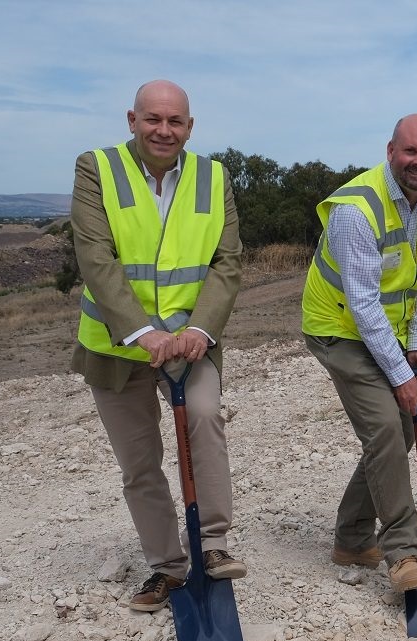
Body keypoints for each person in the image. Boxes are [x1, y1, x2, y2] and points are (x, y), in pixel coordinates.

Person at [70, 79, 246, 612]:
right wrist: (142, 332)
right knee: (140, 463)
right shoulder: (95, 169)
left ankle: (212, 547)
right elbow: (96, 257)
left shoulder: (214, 178)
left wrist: (200, 329)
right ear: (132, 120)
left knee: (204, 420)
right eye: (153, 119)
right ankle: (167, 568)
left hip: (192, 343)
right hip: (116, 345)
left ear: (189, 127)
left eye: (175, 122)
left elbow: (227, 261)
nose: (163, 130)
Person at [302, 114, 417, 592]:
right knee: (389, 427)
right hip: (338, 327)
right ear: (391, 150)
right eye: (410, 151)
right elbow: (364, 302)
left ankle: (351, 538)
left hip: (384, 329)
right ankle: (404, 553)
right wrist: (399, 374)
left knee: (400, 431)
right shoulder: (356, 208)